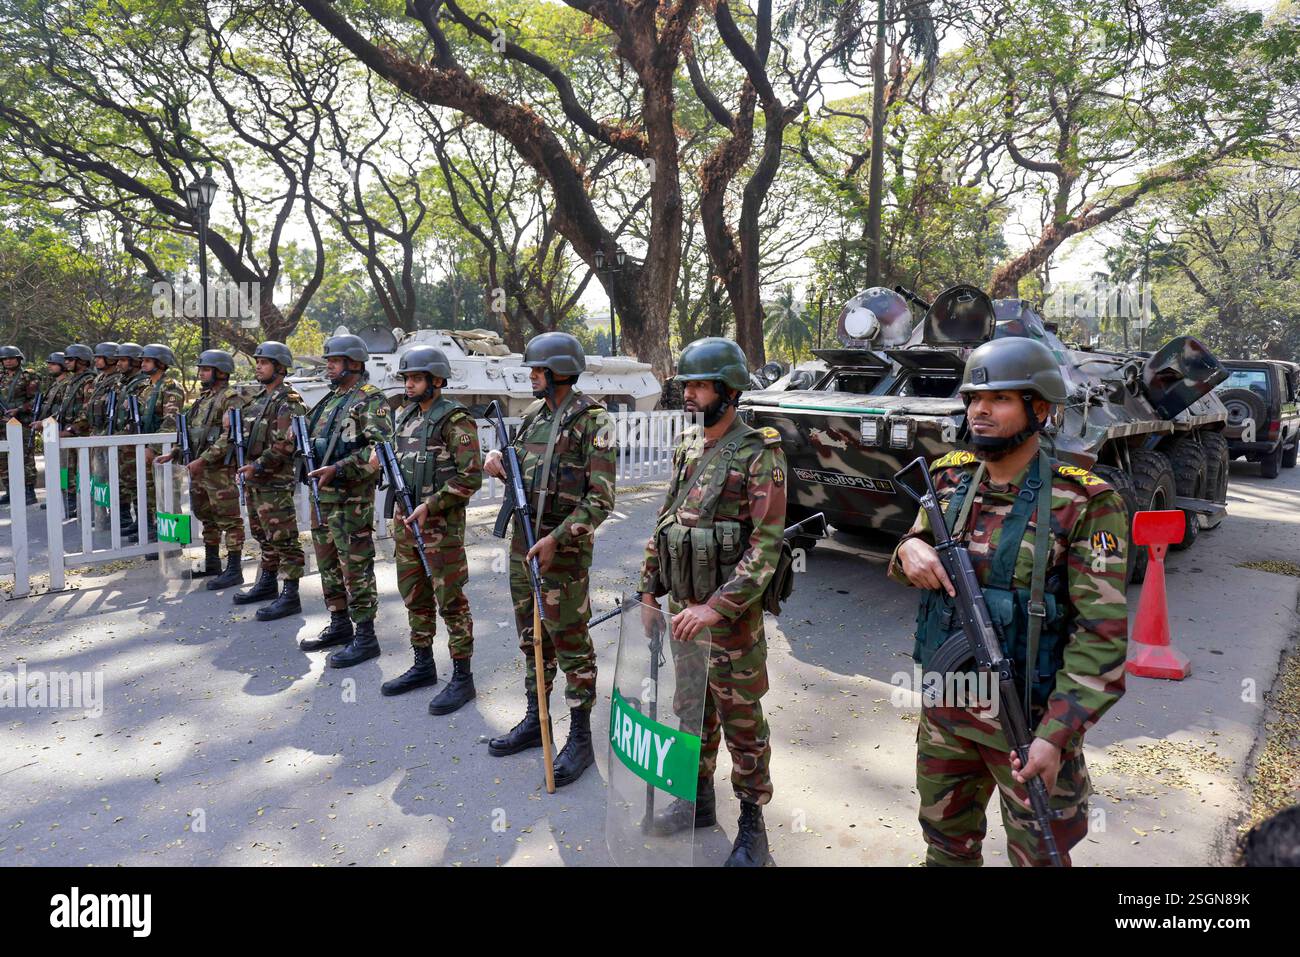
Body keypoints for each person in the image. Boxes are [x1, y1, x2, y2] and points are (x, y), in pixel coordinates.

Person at [888, 334, 1129, 867]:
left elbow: (1102, 637)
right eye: (974, 398)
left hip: (1030, 724)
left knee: (1038, 856)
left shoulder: (1085, 502)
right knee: (946, 847)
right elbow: (912, 550)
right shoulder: (950, 480)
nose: (980, 410)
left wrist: (1055, 737)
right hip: (947, 710)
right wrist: (908, 549)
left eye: (998, 399)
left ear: (1040, 408)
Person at [637, 337, 787, 867]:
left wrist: (715, 607)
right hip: (682, 613)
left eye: (700, 386)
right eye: (688, 386)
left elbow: (765, 547)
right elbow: (665, 522)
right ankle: (698, 801)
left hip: (730, 622)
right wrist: (648, 589)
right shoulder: (687, 447)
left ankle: (753, 826)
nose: (691, 395)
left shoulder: (760, 454)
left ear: (729, 390)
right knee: (690, 710)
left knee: (741, 719)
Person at [482, 331, 615, 787]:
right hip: (523, 546)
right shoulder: (533, 417)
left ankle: (580, 739)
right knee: (530, 637)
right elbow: (522, 473)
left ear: (559, 372)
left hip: (563, 554)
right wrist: (499, 459)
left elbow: (601, 500)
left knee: (570, 642)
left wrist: (558, 537)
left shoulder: (595, 422)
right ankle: (535, 719)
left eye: (538, 370)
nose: (532, 377)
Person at [378, 346, 483, 714]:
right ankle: (423, 664)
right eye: (406, 378)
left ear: (437, 381)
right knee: (415, 598)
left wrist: (431, 504)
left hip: (439, 530)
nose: (409, 384)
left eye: (416, 378)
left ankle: (462, 678)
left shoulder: (455, 419)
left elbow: (471, 476)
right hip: (406, 526)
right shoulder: (403, 416)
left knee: (451, 602)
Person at [299, 334, 392, 666]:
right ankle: (340, 623)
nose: (328, 366)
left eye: (334, 361)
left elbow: (379, 450)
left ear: (354, 363)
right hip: (322, 498)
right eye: (328, 361)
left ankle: (366, 636)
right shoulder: (329, 400)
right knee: (327, 564)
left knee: (355, 567)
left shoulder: (370, 400)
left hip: (350, 499)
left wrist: (339, 468)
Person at [222, 341, 307, 621]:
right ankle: (268, 583)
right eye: (257, 362)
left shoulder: (289, 402)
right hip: (255, 480)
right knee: (263, 536)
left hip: (274, 481)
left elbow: (285, 445)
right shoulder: (258, 400)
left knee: (284, 539)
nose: (258, 366)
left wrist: (256, 465)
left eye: (265, 362)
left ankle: (290, 594)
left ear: (280, 368)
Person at [159, 350, 248, 586]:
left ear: (220, 372)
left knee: (228, 519)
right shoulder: (203, 398)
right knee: (206, 516)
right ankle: (212, 562)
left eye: (205, 369)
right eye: (201, 369)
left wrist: (204, 460)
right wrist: (175, 452)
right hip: (200, 468)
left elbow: (231, 436)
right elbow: (194, 434)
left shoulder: (231, 398)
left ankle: (234, 568)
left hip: (219, 469)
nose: (200, 373)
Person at [128, 344, 185, 553]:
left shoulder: (171, 387)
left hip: (165, 450)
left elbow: (171, 420)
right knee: (152, 495)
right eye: (143, 360)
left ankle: (176, 541)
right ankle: (161, 538)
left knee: (169, 495)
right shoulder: (146, 388)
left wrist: (151, 446)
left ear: (160, 363)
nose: (143, 364)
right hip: (148, 448)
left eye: (148, 361)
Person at [52, 344, 97, 517]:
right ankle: (71, 505)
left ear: (82, 361)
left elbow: (87, 409)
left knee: (85, 471)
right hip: (70, 432)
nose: (66, 362)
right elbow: (64, 407)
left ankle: (87, 506)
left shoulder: (89, 380)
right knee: (69, 470)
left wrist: (72, 429)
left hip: (82, 433)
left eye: (70, 359)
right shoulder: (72, 381)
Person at [110, 342, 148, 542]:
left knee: (137, 482)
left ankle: (143, 522)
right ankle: (137, 521)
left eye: (123, 360)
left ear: (134, 361)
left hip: (134, 441)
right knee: (129, 482)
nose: (119, 364)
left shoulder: (142, 383)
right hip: (123, 439)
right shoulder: (125, 383)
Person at [0, 345, 39, 505]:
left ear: (18, 359)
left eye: (11, 358)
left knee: (26, 457)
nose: (8, 361)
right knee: (3, 459)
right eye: (5, 359)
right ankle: (10, 490)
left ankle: (29, 491)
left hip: (22, 422)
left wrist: (19, 409)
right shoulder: (1, 377)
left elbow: (36, 400)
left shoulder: (27, 376)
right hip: (2, 423)